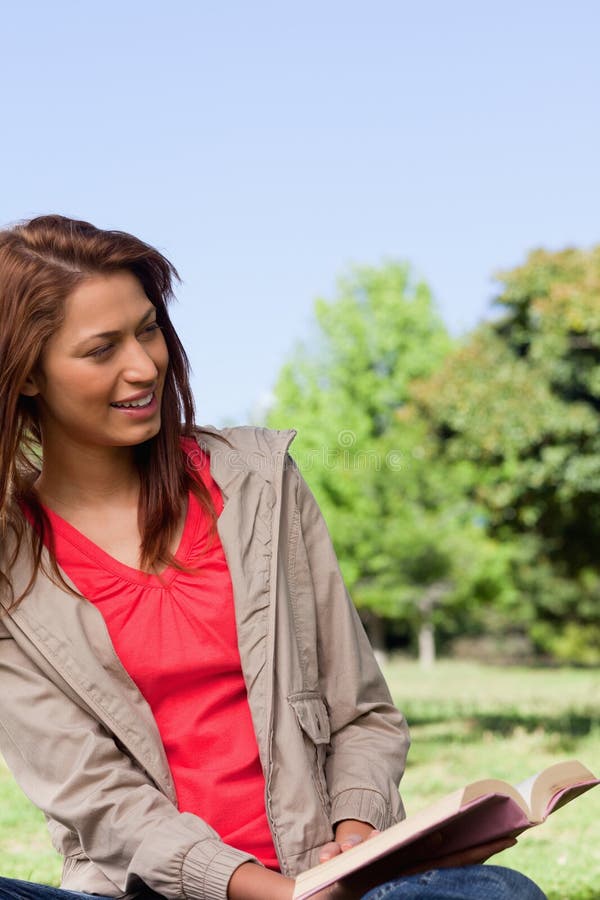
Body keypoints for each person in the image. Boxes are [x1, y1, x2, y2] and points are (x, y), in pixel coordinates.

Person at [0, 215, 546, 900]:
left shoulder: (260, 481)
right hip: (152, 892)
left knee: (500, 892)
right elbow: (96, 798)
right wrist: (269, 895)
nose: (143, 365)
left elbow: (362, 711)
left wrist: (354, 837)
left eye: (147, 330)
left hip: (322, 878)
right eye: (101, 349)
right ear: (25, 376)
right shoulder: (8, 567)